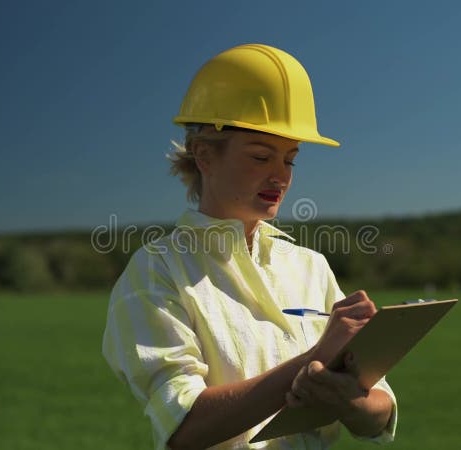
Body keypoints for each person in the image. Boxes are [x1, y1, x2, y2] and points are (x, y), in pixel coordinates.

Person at [102, 43, 397, 449]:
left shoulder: (311, 266)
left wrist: (350, 402)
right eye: (261, 157)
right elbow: (183, 429)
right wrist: (312, 360)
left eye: (290, 159)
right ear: (204, 155)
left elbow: (378, 417)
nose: (281, 177)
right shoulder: (157, 270)